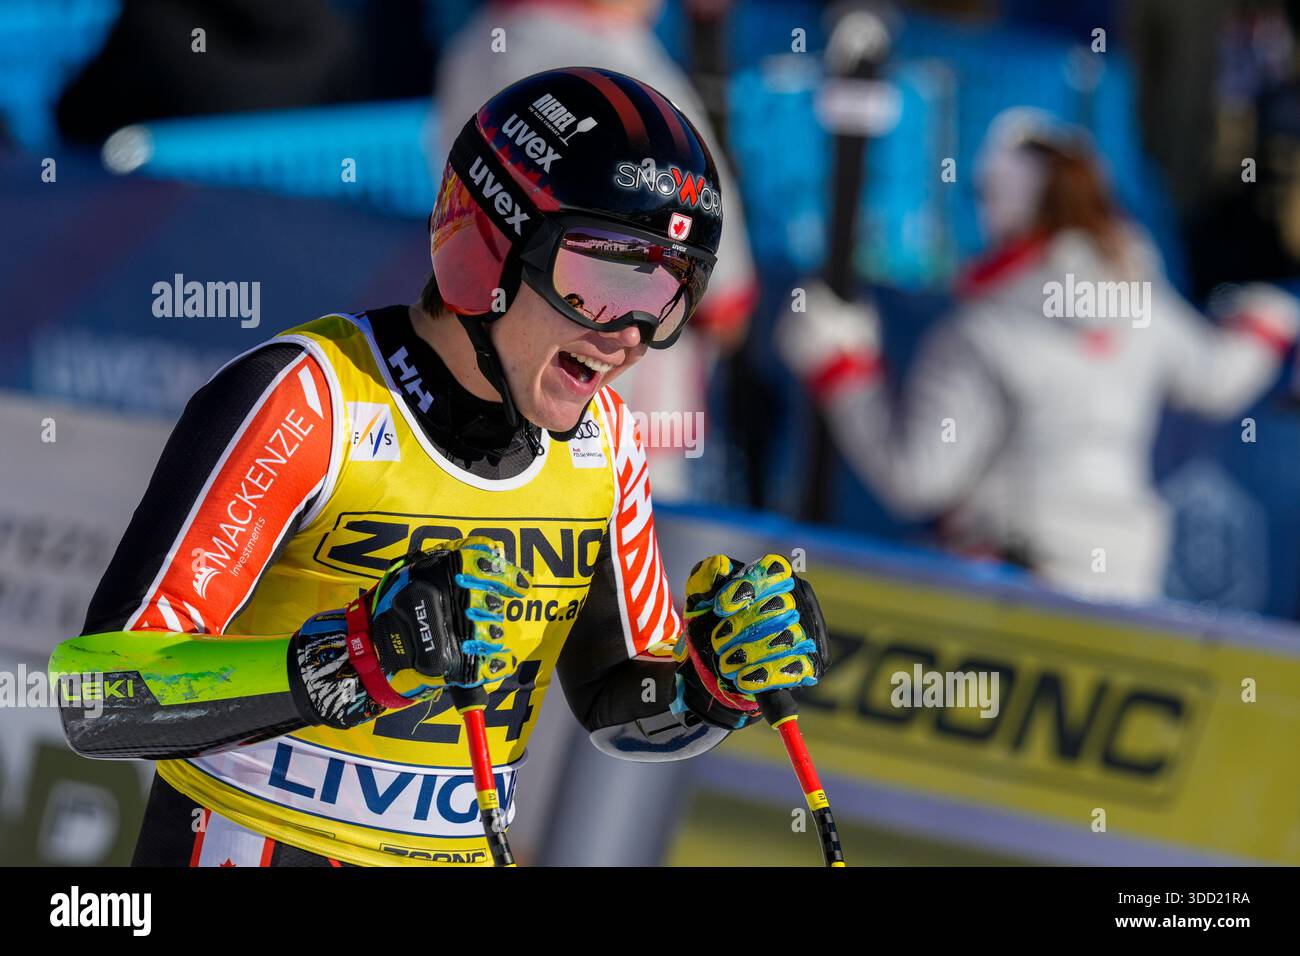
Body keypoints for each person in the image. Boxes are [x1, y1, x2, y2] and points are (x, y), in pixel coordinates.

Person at [49, 68, 829, 867]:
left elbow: (617, 706)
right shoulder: (312, 400)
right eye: (601, 282)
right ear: (490, 248)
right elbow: (101, 696)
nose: (630, 333)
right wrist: (350, 659)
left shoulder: (606, 446)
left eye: (668, 292)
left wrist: (713, 684)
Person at [780, 108, 1299, 603]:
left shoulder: (980, 330)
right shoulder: (1143, 303)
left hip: (1008, 601)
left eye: (981, 194)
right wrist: (1267, 319)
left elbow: (915, 477)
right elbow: (1219, 378)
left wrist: (840, 367)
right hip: (1127, 594)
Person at [434, 0, 759, 499]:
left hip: (474, 386)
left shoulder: (478, 41)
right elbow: (728, 305)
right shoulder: (627, 76)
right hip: (612, 430)